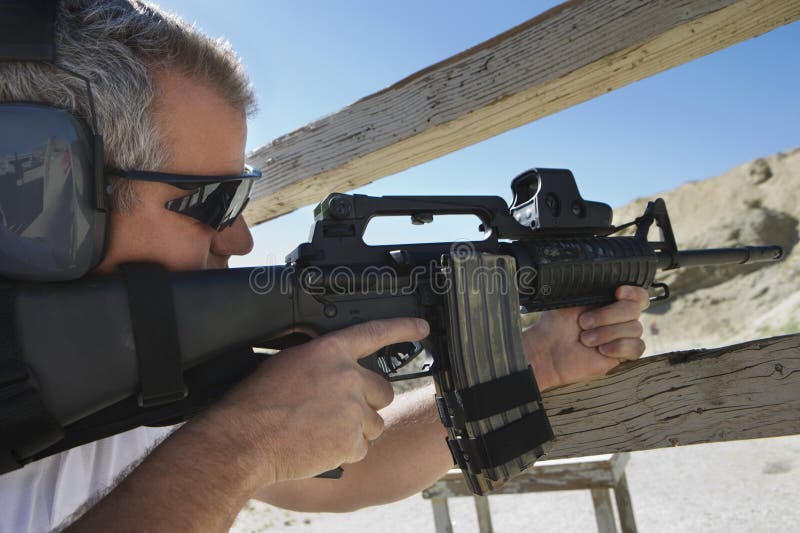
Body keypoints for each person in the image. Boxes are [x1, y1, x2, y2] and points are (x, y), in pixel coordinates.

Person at [0, 1, 649, 531]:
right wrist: (239, 445)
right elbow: (239, 453)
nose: (241, 239)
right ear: (49, 195)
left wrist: (541, 361)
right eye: (212, 202)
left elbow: (350, 476)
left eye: (241, 199)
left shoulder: (132, 366)